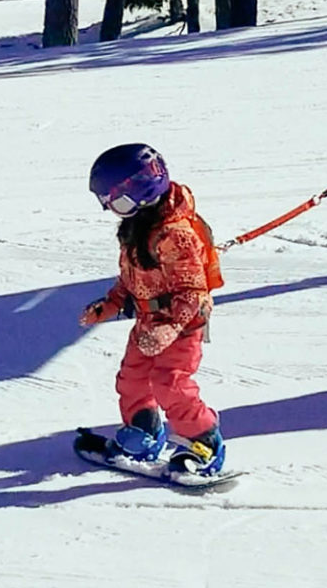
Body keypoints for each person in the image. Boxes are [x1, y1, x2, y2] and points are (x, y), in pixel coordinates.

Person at [79, 144, 227, 474]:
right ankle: (142, 433)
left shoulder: (175, 236)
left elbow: (192, 291)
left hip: (183, 324)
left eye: (117, 202)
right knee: (131, 379)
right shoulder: (138, 226)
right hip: (149, 321)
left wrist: (170, 328)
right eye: (106, 203)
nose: (112, 211)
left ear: (143, 192)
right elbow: (132, 276)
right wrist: (111, 303)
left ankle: (204, 443)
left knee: (170, 383)